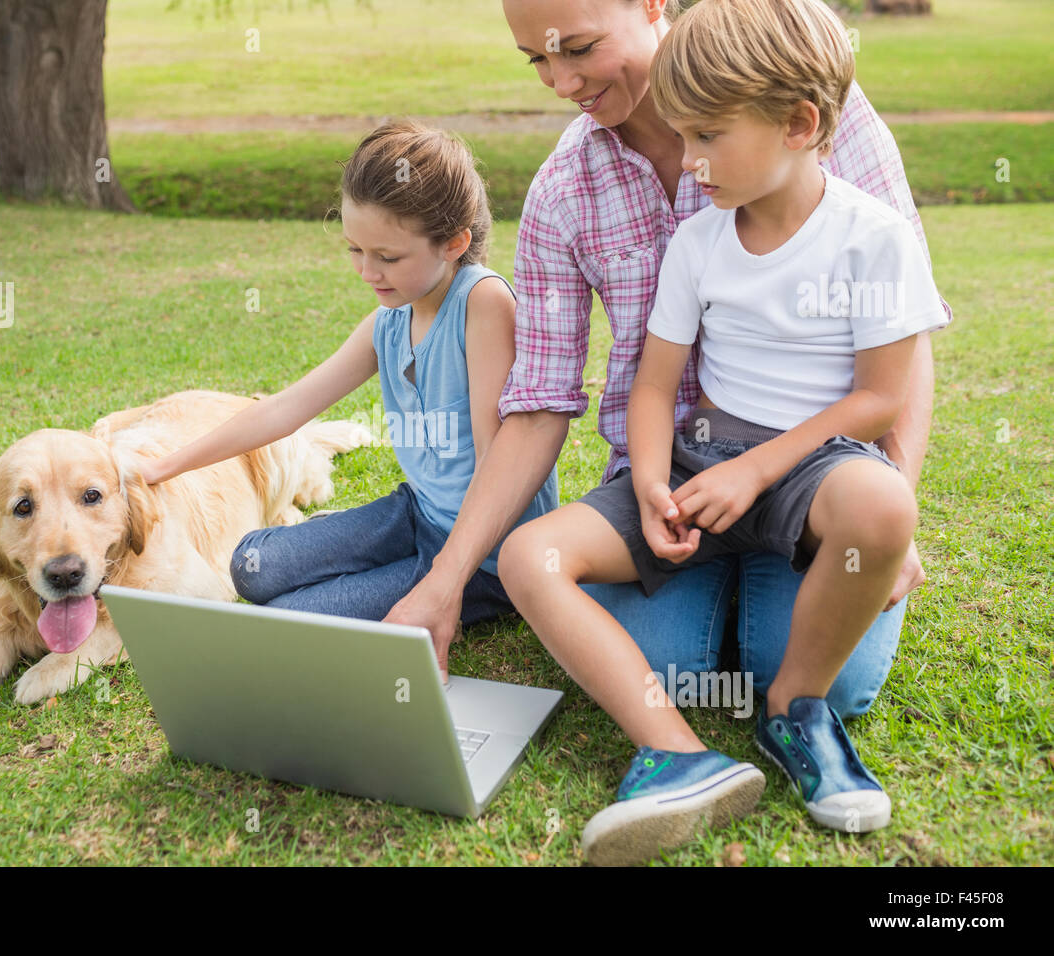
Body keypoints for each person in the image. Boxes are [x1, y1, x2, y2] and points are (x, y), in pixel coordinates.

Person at [378, 0, 952, 863]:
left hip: (813, 474)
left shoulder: (809, 101)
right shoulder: (589, 198)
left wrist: (889, 504)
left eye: (579, 47)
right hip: (681, 477)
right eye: (535, 60)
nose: (562, 80)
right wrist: (454, 575)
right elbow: (554, 397)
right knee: (670, 663)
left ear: (652, 6)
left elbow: (893, 370)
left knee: (825, 669)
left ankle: (792, 702)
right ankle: (680, 755)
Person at [140, 119, 558, 643]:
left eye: (387, 257)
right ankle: (377, 571)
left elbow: (498, 460)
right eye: (355, 250)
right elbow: (286, 408)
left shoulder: (483, 303)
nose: (367, 272)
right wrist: (166, 465)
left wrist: (444, 578)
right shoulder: (389, 321)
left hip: (485, 555)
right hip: (418, 515)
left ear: (454, 242)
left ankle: (458, 593)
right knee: (248, 565)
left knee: (286, 622)